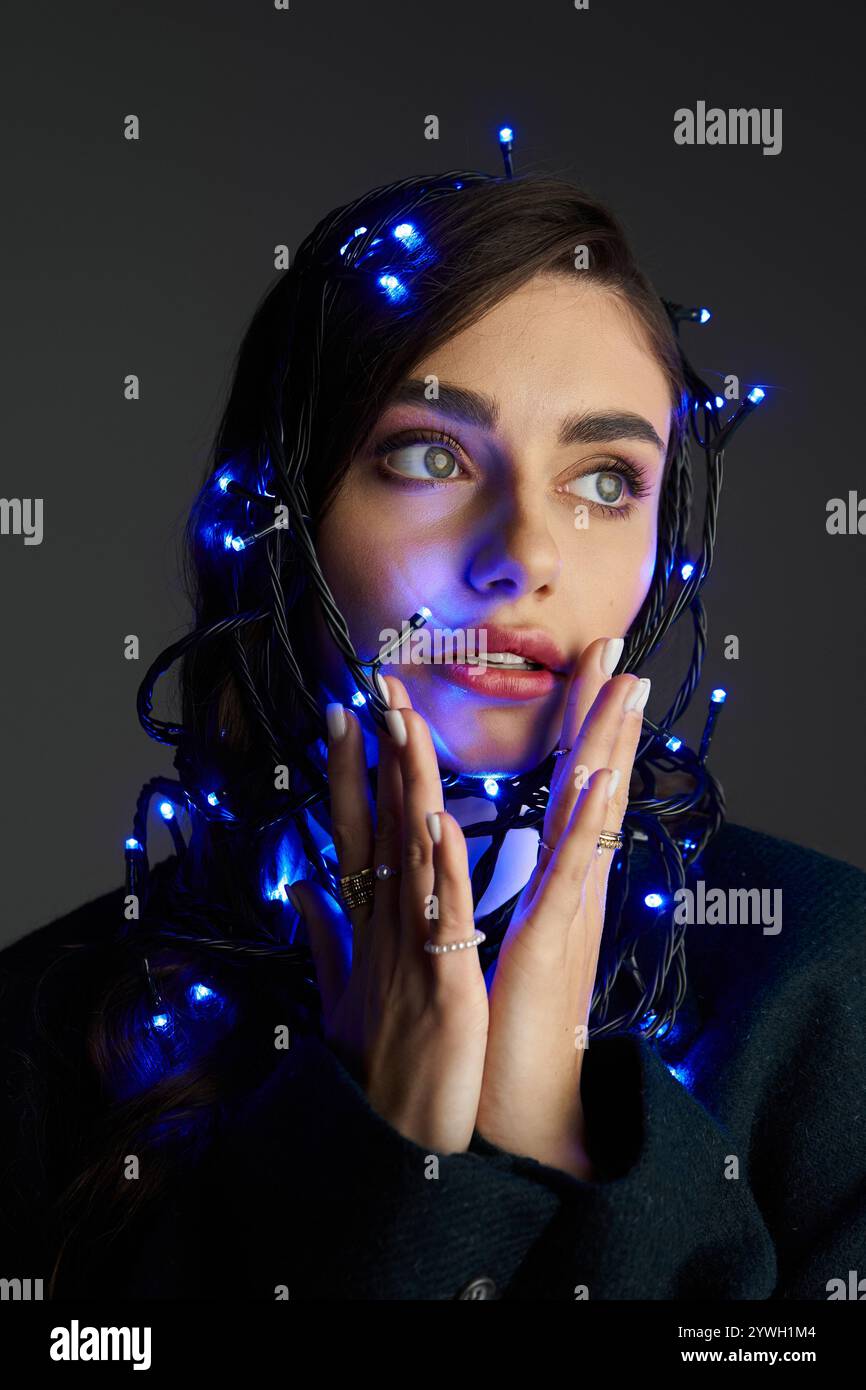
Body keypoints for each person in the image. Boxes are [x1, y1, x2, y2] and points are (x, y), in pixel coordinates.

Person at [1, 172, 864, 1302]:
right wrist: (387, 1147)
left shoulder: (828, 986)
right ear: (281, 512)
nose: (526, 552)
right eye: (428, 456)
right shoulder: (44, 1026)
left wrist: (551, 1124)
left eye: (604, 479)